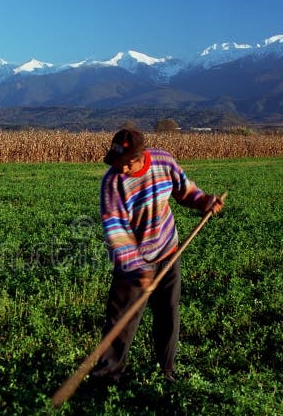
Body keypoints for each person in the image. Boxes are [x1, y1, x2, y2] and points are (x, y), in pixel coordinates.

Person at [90, 127, 224, 383]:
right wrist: (137, 268)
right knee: (120, 321)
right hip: (132, 263)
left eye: (127, 164)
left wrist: (205, 201)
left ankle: (165, 370)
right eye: (117, 163)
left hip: (167, 252)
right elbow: (116, 230)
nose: (122, 170)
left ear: (141, 156)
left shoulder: (163, 161)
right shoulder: (112, 182)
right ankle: (107, 376)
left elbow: (185, 191)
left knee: (167, 314)